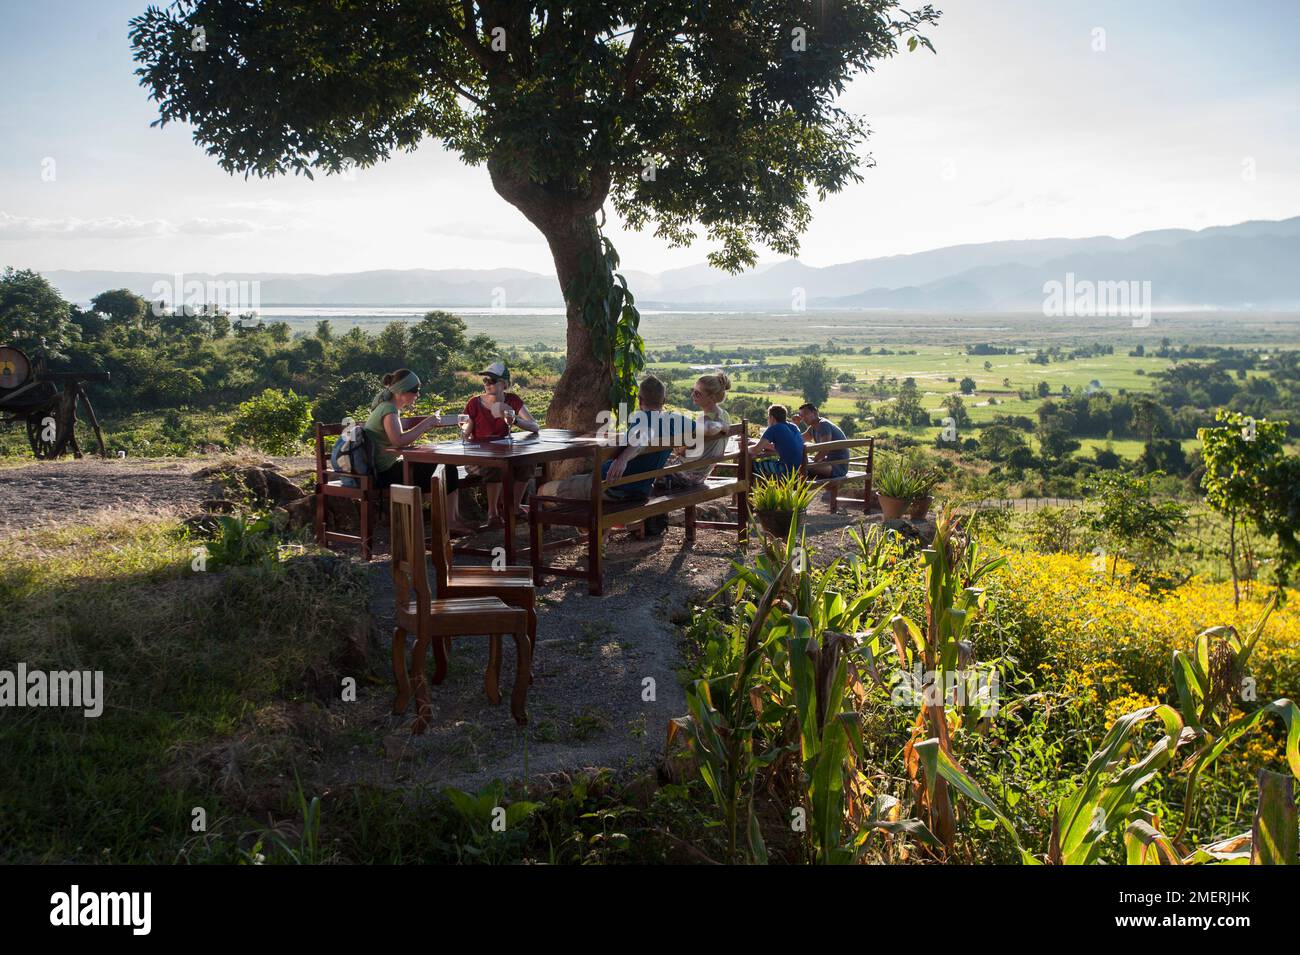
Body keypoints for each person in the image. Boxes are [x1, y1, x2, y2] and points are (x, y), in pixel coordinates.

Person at [538, 374, 688, 504]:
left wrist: (622, 459)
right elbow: (707, 427)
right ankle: (596, 534)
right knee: (580, 483)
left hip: (611, 488)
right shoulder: (674, 421)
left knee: (543, 491)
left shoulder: (642, 419)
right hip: (641, 489)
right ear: (664, 400)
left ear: (639, 399)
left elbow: (644, 435)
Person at [364, 368, 473, 534]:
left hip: (386, 467)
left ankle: (450, 520)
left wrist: (425, 425)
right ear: (401, 391)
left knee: (442, 469)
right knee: (447, 470)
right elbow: (398, 441)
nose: (417, 395)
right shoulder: (389, 409)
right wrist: (426, 423)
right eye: (415, 391)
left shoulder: (386, 407)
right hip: (384, 473)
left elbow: (396, 442)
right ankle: (449, 522)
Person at [461, 360, 541, 528]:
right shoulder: (474, 403)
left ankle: (513, 507)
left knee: (528, 463)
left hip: (504, 455)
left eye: (491, 380)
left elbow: (534, 426)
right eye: (485, 380)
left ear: (503, 384)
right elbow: (465, 433)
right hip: (479, 457)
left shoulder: (512, 401)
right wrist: (466, 429)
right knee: (495, 467)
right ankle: (492, 514)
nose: (486, 384)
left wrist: (515, 420)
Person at [656, 371, 732, 491]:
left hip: (688, 474)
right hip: (701, 474)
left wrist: (681, 448)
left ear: (711, 398)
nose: (692, 395)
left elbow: (710, 428)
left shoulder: (707, 420)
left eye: (697, 394)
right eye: (693, 391)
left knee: (650, 464)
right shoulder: (725, 415)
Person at [797, 404, 851, 497]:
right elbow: (798, 440)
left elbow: (824, 450)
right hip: (827, 464)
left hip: (837, 466)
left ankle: (799, 501)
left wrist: (812, 462)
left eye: (805, 414)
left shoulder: (823, 425)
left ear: (815, 413)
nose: (803, 418)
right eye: (801, 415)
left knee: (800, 465)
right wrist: (795, 425)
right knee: (799, 464)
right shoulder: (813, 427)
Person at [750, 404, 804, 480]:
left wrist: (745, 448)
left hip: (785, 469)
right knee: (767, 463)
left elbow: (756, 450)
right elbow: (785, 445)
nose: (767, 420)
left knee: (749, 465)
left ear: (772, 418)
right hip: (797, 468)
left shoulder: (774, 428)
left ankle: (746, 490)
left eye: (768, 417)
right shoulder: (794, 427)